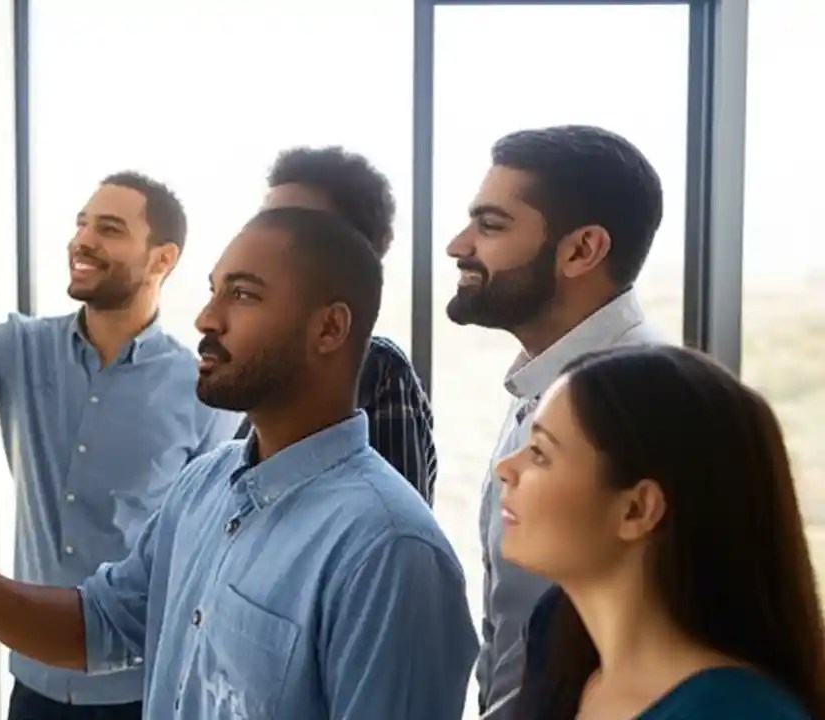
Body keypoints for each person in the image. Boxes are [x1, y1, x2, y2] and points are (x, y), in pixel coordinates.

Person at [0, 207, 479, 719]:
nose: (207, 318)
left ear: (330, 329)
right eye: (212, 292)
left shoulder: (391, 554)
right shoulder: (206, 486)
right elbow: (103, 624)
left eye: (244, 295)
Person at [0, 173, 241, 718]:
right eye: (81, 223)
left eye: (109, 228)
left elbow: (202, 553)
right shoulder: (19, 348)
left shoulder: (203, 390)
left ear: (162, 259)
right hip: (33, 687)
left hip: (145, 691)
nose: (82, 240)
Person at [445, 125, 671, 718]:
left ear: (581, 250)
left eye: (490, 226)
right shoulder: (542, 381)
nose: (457, 245)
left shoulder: (640, 402)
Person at [502, 345, 825, 719]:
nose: (506, 468)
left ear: (637, 509)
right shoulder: (556, 640)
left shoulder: (740, 712)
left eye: (540, 453)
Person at [236, 146, 437, 506]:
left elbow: (389, 528)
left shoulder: (377, 369)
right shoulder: (262, 364)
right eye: (265, 220)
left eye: (292, 225)